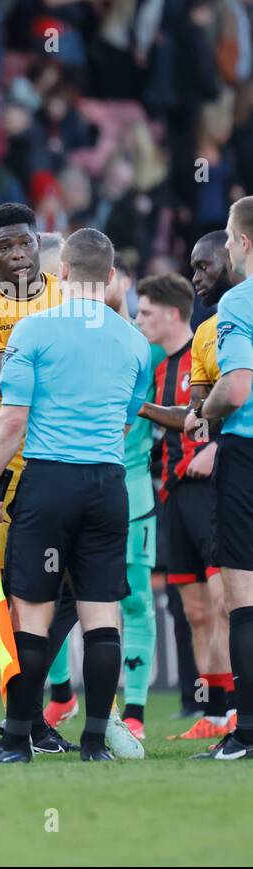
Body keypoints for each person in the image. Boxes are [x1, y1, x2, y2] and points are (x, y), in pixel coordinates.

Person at [0, 228, 153, 763]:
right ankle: (94, 744)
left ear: (64, 274)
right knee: (102, 615)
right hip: (107, 484)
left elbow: (12, 419)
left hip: (49, 481)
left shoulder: (34, 330)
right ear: (113, 277)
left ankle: (14, 743)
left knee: (34, 616)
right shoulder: (135, 342)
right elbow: (125, 421)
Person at [0, 203, 77, 754]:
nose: (18, 254)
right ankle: (22, 722)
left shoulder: (71, 296)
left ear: (37, 242)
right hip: (8, 465)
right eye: (5, 248)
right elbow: (7, 381)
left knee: (75, 592)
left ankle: (26, 714)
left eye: (25, 243)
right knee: (12, 596)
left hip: (68, 456)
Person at [134, 274, 227, 742]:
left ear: (173, 315)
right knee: (194, 610)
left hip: (207, 493)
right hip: (170, 494)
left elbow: (222, 412)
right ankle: (211, 709)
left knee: (222, 601)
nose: (138, 320)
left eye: (145, 312)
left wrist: (219, 450)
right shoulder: (155, 365)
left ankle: (232, 707)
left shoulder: (207, 350)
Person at [184, 196, 253, 759]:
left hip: (247, 455)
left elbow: (234, 389)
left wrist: (200, 415)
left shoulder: (238, 301)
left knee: (243, 600)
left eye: (229, 239)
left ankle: (247, 732)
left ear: (244, 242)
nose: (226, 248)